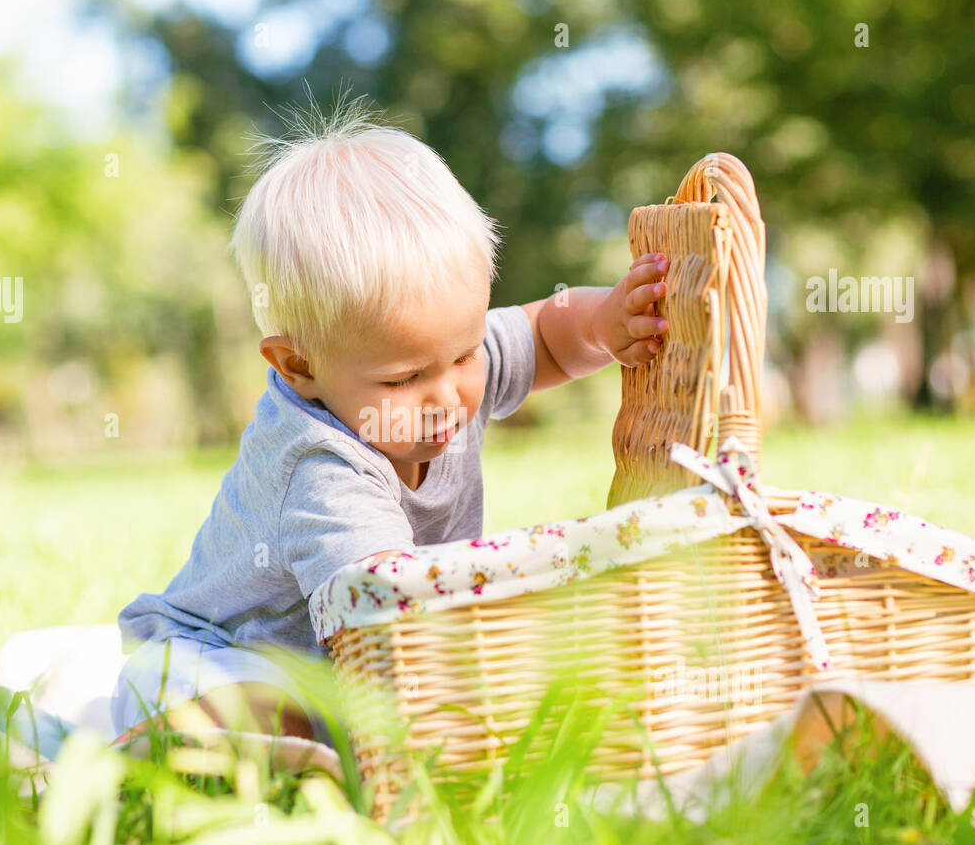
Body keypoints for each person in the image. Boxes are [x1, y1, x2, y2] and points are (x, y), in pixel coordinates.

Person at [109, 93, 670, 748]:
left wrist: (607, 324)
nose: (449, 395)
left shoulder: (446, 359)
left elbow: (545, 332)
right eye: (403, 380)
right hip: (206, 660)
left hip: (340, 668)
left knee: (334, 722)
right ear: (299, 367)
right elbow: (389, 614)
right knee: (271, 715)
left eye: (462, 353)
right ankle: (114, 765)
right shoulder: (321, 467)